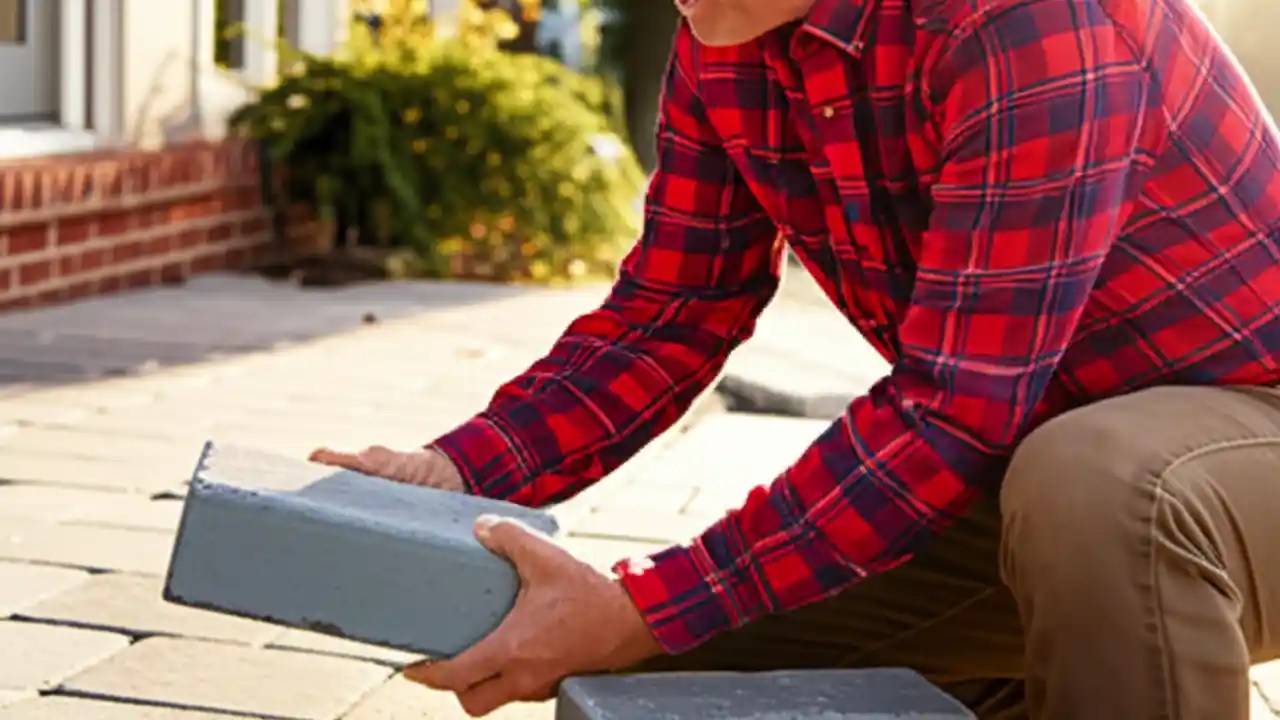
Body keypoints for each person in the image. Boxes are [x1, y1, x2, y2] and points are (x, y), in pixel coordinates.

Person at [311, 0, 1280, 717]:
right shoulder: (725, 33)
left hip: (1236, 445)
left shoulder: (1027, 21)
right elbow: (672, 311)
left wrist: (640, 602)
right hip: (1031, 460)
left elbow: (952, 408)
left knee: (1103, 487)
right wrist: (451, 476)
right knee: (657, 662)